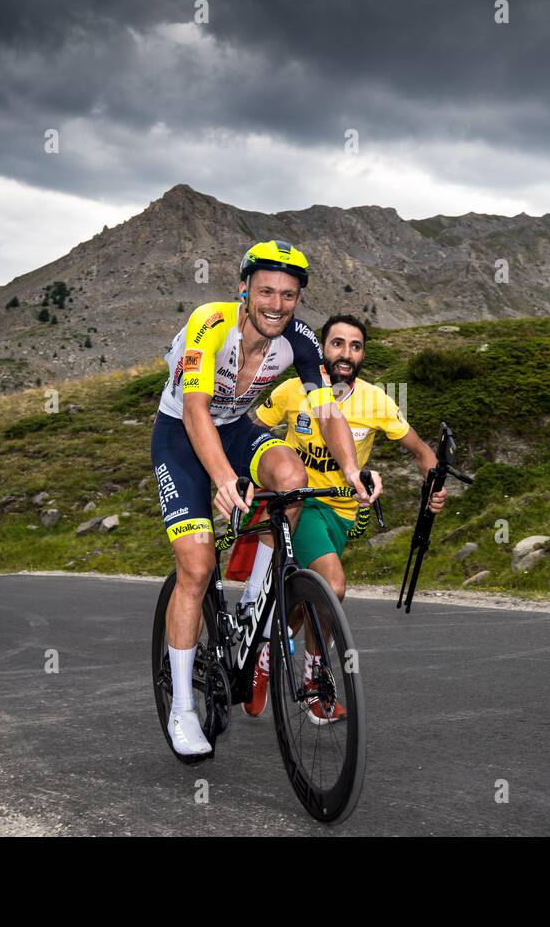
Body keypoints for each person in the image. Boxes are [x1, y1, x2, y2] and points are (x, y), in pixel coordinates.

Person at [150, 241, 380, 756]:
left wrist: (351, 468)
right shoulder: (208, 324)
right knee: (197, 566)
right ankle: (183, 707)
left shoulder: (298, 340)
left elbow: (327, 413)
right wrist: (225, 480)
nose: (276, 304)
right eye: (266, 292)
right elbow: (193, 410)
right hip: (181, 436)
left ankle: (259, 596)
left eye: (289, 295)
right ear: (244, 290)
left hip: (233, 430)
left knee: (291, 476)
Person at [235, 313, 446, 720]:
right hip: (298, 504)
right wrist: (237, 474)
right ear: (321, 350)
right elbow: (244, 431)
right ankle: (315, 686)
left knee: (303, 602)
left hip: (342, 513)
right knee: (332, 586)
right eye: (336, 344)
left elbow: (422, 453)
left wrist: (434, 489)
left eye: (355, 346)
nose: (345, 354)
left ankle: (264, 654)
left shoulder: (376, 401)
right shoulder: (292, 391)